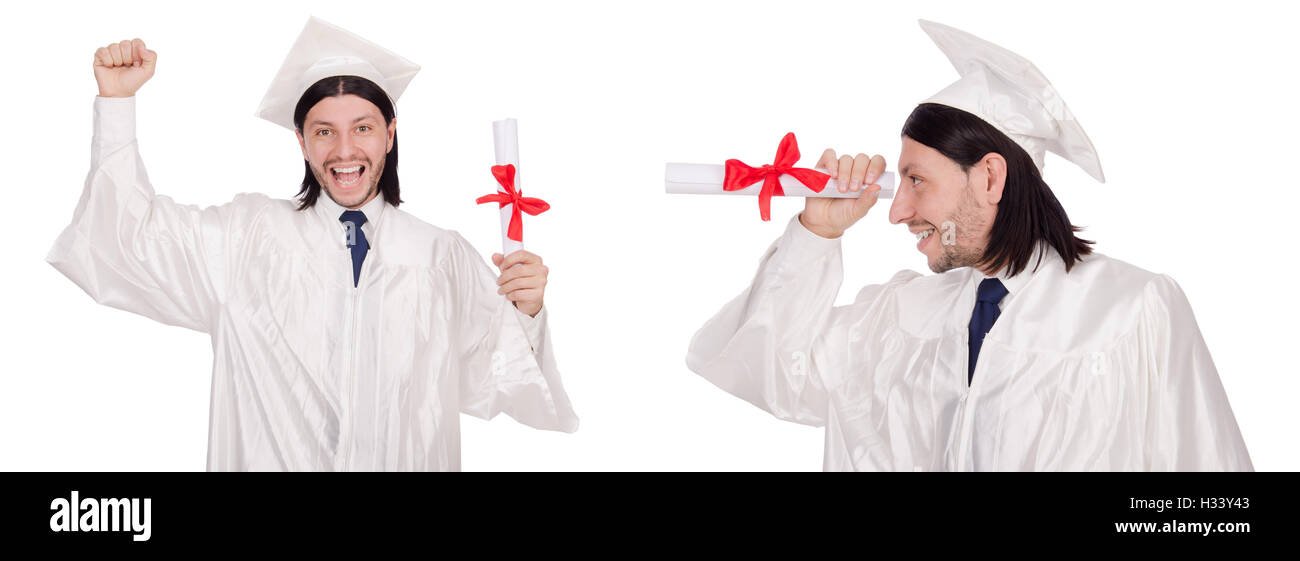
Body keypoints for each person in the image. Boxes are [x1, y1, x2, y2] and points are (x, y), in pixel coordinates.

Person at [685, 20, 1251, 471]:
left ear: (989, 178)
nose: (897, 211)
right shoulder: (897, 316)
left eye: (917, 180)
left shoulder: (1130, 310)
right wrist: (818, 233)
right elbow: (769, 371)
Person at [46, 17, 577, 471]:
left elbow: (497, 382)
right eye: (323, 131)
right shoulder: (244, 238)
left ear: (390, 134)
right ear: (301, 140)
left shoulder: (440, 256)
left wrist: (526, 311)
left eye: (363, 128)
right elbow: (127, 241)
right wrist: (116, 106)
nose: (345, 151)